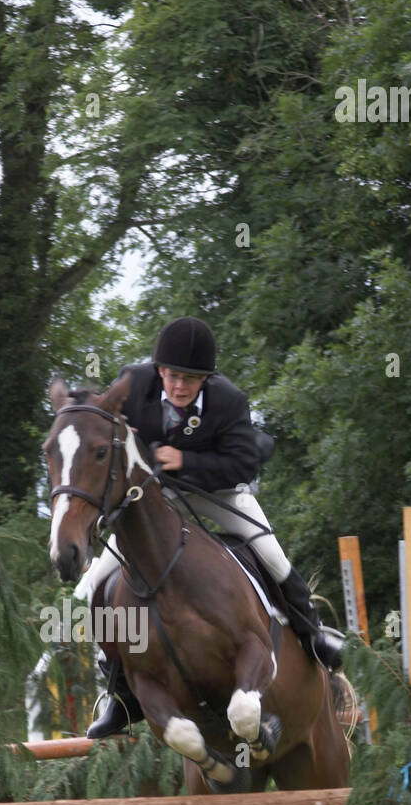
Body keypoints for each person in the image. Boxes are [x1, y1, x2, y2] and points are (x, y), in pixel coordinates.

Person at [80, 315, 344, 739]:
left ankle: (313, 636)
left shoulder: (229, 401)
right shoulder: (132, 384)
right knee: (94, 584)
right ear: (158, 369)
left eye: (190, 378)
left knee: (271, 555)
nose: (179, 386)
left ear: (206, 378)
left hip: (219, 490)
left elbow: (244, 462)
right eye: (171, 375)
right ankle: (120, 690)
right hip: (155, 496)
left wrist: (186, 462)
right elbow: (98, 421)